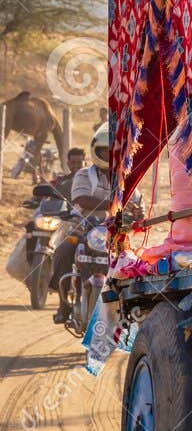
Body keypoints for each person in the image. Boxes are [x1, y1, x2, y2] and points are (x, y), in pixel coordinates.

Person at [52, 129, 109, 324]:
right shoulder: (84, 174)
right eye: (104, 151)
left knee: (134, 263)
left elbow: (137, 201)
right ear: (96, 151)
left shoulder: (123, 176)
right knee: (62, 251)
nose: (108, 155)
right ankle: (64, 306)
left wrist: (138, 212)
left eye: (112, 151)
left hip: (113, 233)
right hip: (82, 227)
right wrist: (115, 204)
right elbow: (81, 199)